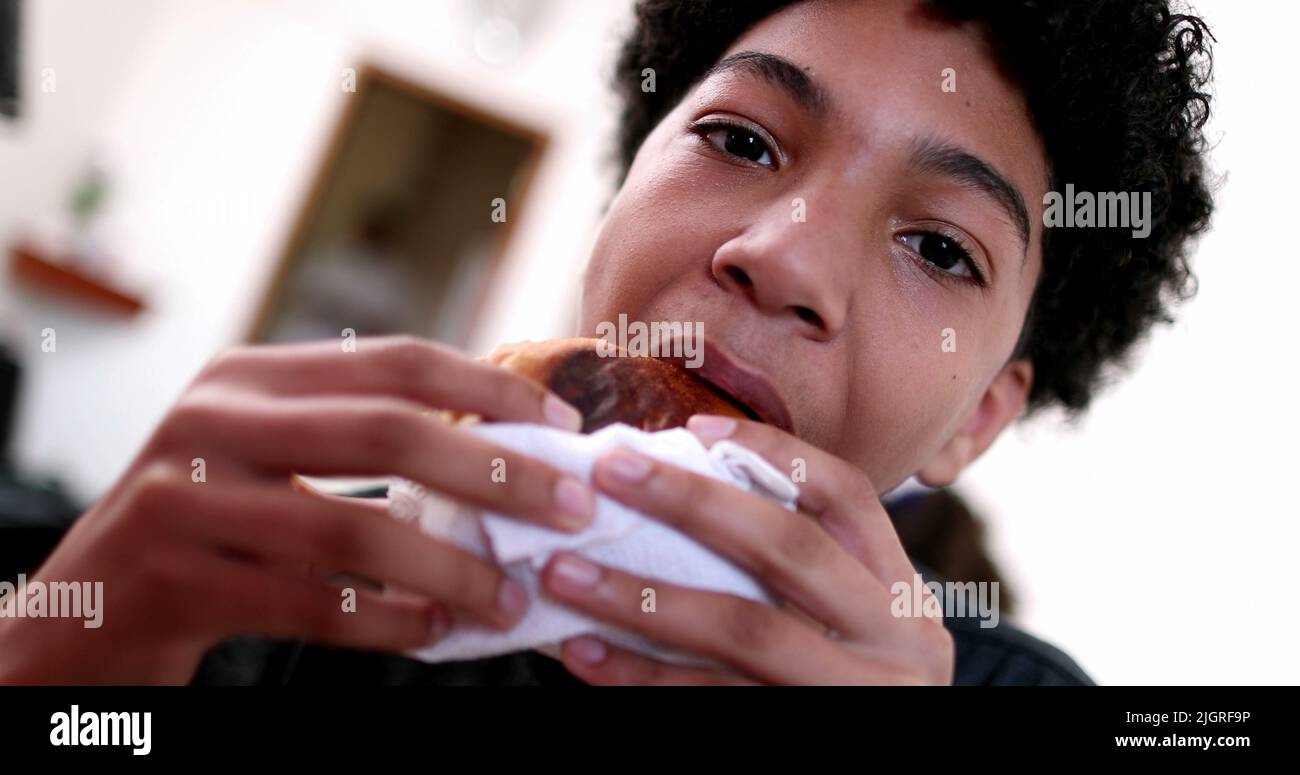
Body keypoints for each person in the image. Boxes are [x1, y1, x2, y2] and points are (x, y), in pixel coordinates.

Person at [0, 0, 1214, 685]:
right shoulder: (308, 588)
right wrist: (56, 656)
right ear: (613, 204)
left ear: (978, 418)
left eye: (942, 249)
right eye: (741, 141)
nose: (782, 257)